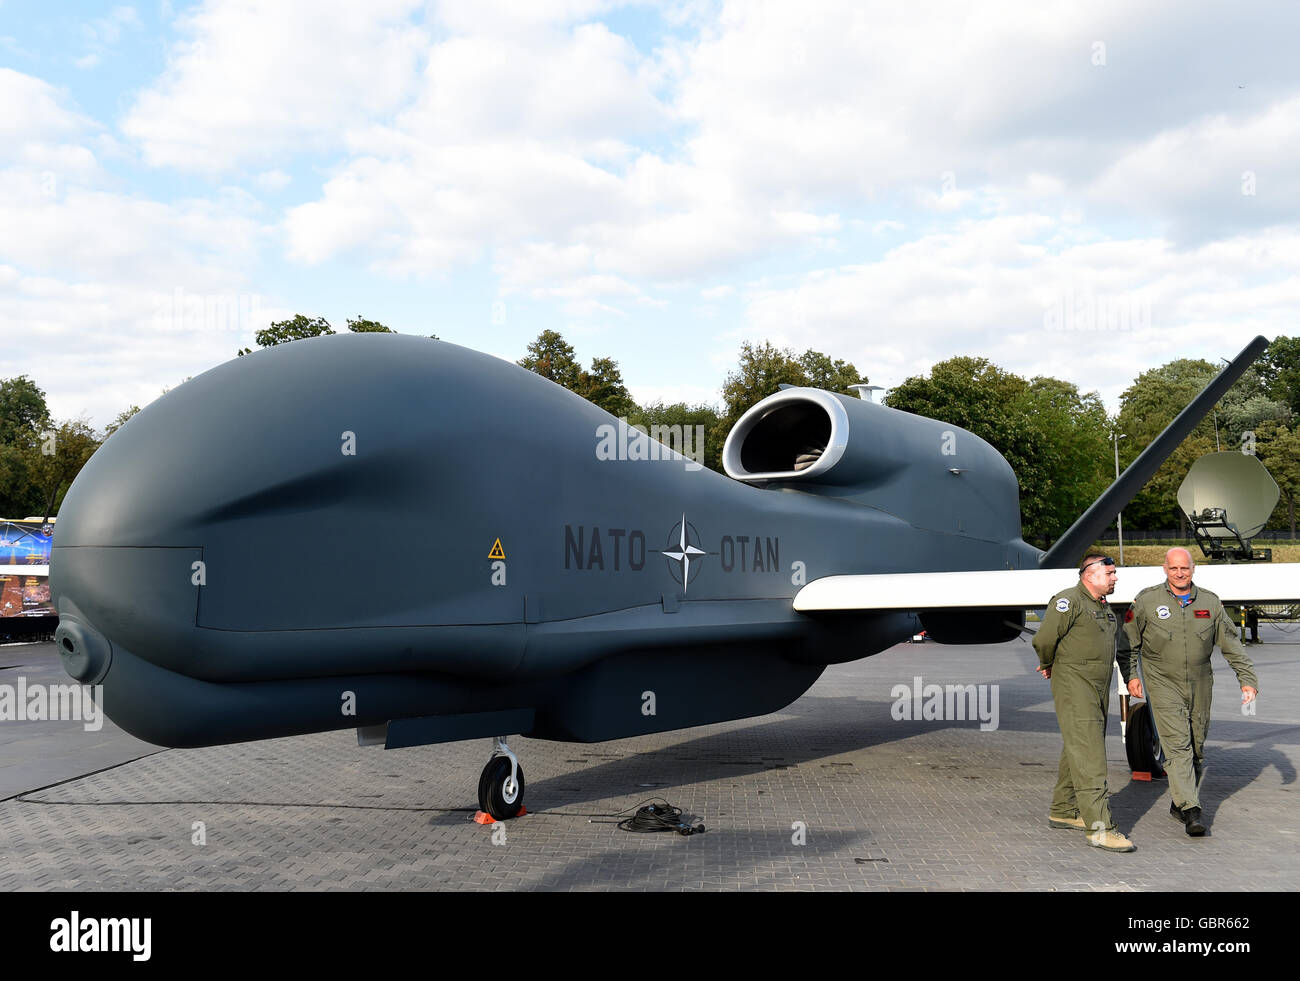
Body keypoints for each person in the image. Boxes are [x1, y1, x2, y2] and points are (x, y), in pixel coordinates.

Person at [1119, 547, 1259, 837]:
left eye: (1185, 568)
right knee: (1178, 745)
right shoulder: (1147, 600)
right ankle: (1192, 811)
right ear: (1165, 569)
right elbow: (1127, 642)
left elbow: (1231, 645)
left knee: (1196, 744)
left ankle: (1178, 802)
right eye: (1174, 569)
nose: (1180, 574)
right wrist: (1131, 675)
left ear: (1193, 569)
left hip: (1200, 682)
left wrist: (1246, 679)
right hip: (1162, 681)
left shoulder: (1210, 602)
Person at [1033, 554, 1136, 852]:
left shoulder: (1102, 606)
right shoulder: (1068, 601)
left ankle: (1064, 810)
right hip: (1075, 686)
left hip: (1097, 687)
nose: (1115, 577)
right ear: (1090, 575)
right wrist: (1047, 662)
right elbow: (1043, 639)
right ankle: (1100, 828)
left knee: (1078, 745)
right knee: (1090, 753)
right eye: (1110, 573)